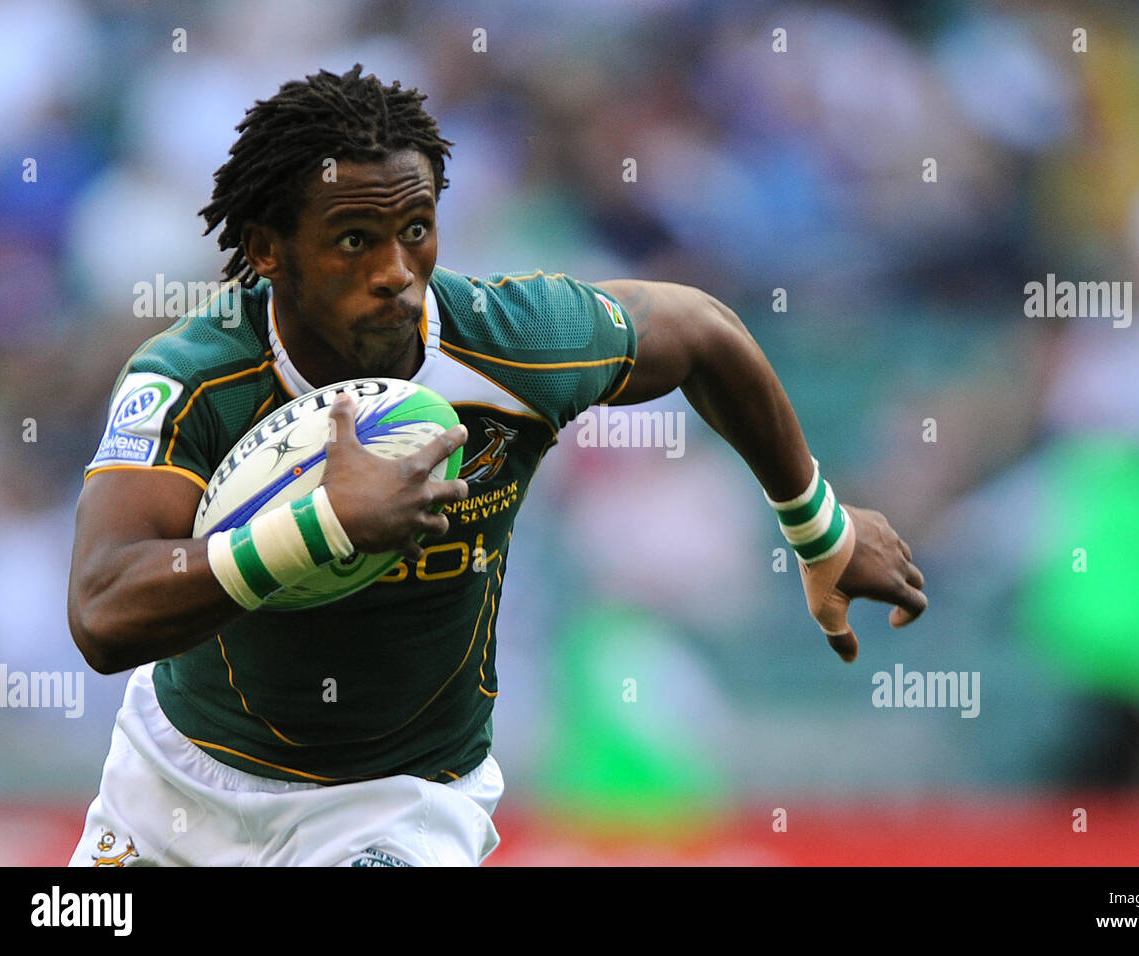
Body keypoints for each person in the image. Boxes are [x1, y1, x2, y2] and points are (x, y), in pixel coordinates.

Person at [66, 65, 927, 867]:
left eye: (415, 229)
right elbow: (103, 610)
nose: (397, 274)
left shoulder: (514, 343)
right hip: (175, 781)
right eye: (354, 241)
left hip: (395, 797)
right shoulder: (192, 377)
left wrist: (819, 528)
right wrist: (321, 527)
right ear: (265, 249)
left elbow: (703, 333)